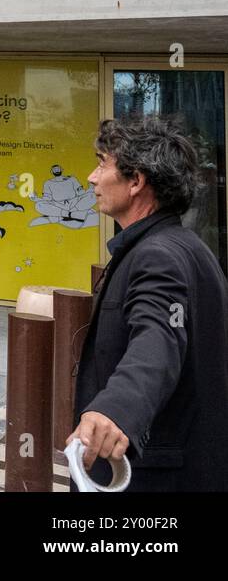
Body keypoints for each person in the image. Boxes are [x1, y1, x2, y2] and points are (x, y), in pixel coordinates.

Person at [69, 116, 228, 491]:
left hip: (157, 478)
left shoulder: (158, 256)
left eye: (102, 163)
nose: (92, 177)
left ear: (136, 181)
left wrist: (115, 409)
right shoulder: (188, 248)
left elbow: (158, 340)